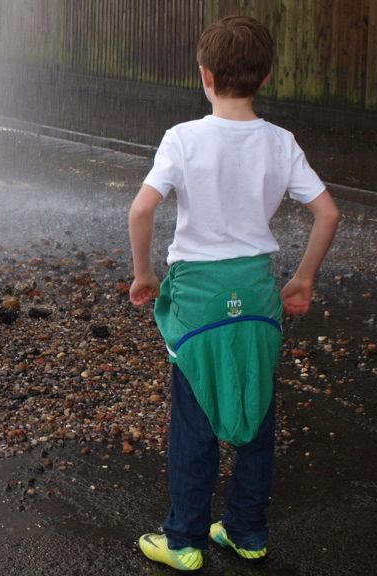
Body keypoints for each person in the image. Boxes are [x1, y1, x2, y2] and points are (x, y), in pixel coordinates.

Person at [127, 14, 340, 572]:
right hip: (256, 295)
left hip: (198, 297)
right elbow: (327, 213)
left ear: (204, 74)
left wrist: (144, 275)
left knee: (194, 417)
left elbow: (143, 208)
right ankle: (247, 531)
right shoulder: (280, 142)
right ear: (265, 78)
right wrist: (303, 278)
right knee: (256, 409)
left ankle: (183, 541)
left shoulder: (184, 138)